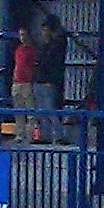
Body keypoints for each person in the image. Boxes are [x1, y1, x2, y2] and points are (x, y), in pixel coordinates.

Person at [37, 16, 68, 144]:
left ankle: (59, 135)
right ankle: (45, 135)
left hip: (49, 81)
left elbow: (49, 62)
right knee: (42, 111)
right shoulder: (45, 46)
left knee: (51, 110)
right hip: (41, 80)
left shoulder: (57, 44)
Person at [10, 26, 38, 144]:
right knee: (18, 110)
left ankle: (30, 134)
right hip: (17, 82)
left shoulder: (32, 50)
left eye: (24, 35)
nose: (22, 37)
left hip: (27, 82)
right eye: (20, 35)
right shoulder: (18, 49)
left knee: (30, 110)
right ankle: (20, 134)